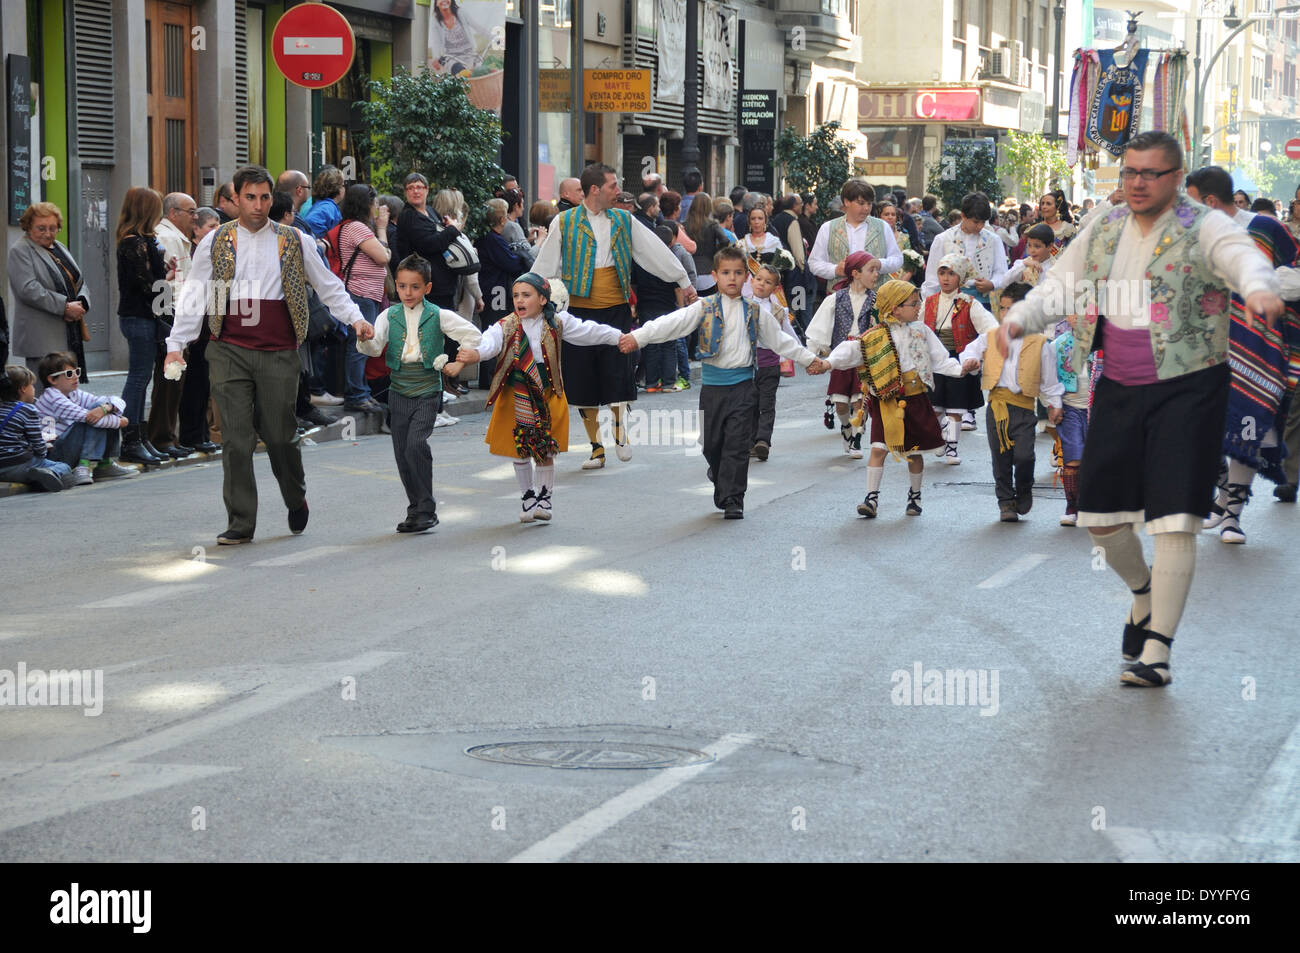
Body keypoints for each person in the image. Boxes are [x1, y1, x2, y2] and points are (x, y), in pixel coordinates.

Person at [998, 131, 1283, 687]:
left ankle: (1158, 650)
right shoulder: (1101, 227)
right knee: (1100, 520)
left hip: (1190, 387)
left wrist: (1258, 286)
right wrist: (1021, 318)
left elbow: (1240, 256)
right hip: (1120, 389)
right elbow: (1062, 285)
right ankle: (1145, 593)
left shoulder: (1204, 225)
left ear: (1177, 177)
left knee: (1175, 520)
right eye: (1130, 171)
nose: (1137, 182)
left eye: (1151, 173)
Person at [164, 165, 375, 545]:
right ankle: (241, 522)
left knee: (280, 437)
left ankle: (295, 496)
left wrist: (356, 319)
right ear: (235, 199)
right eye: (250, 197)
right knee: (237, 440)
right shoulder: (214, 242)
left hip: (279, 351)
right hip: (227, 349)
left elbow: (328, 287)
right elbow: (195, 295)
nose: (258, 205)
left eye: (264, 197)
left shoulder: (295, 239)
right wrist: (176, 346)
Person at [619, 246, 829, 518]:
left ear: (746, 277)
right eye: (726, 273)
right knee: (712, 444)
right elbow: (672, 322)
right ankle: (719, 475)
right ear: (715, 275)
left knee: (737, 445)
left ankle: (733, 499)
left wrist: (808, 359)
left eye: (738, 273)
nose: (732, 278)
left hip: (743, 387)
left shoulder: (755, 311)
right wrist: (640, 336)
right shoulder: (703, 308)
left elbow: (781, 340)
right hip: (712, 389)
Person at [531, 162, 695, 469]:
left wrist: (683, 281)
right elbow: (545, 265)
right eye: (612, 186)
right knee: (581, 379)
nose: (617, 191)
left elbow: (653, 253)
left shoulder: (624, 220)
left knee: (618, 371)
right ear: (595, 190)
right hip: (577, 311)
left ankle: (620, 432)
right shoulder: (564, 222)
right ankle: (596, 446)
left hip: (616, 307)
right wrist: (529, 297)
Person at [1185, 165, 1300, 544]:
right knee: (1200, 426)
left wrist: (1268, 287)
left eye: (1192, 202)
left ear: (1211, 201)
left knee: (1249, 424)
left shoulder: (1265, 229)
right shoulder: (1192, 236)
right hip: (1203, 346)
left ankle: (1233, 513)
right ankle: (1222, 495)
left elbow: (1297, 268)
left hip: (1257, 349)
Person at [457, 273, 623, 520]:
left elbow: (589, 331)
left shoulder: (557, 322)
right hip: (516, 394)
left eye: (526, 295)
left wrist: (619, 337)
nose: (519, 300)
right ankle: (527, 498)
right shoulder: (506, 325)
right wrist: (477, 354)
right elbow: (490, 342)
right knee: (520, 449)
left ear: (543, 299)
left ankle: (544, 500)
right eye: (516, 296)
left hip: (547, 393)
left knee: (545, 450)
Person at [356, 255, 481, 532]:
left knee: (415, 445)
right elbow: (375, 348)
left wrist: (459, 362)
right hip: (399, 388)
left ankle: (426, 507)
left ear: (427, 288)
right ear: (396, 287)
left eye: (414, 287)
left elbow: (473, 336)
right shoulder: (388, 315)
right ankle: (416, 509)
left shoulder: (440, 315)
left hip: (427, 387)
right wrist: (364, 338)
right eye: (402, 287)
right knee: (402, 453)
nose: (407, 293)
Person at [825, 280, 964, 518]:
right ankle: (871, 498)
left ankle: (914, 496)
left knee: (914, 452)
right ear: (895, 308)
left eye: (918, 301)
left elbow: (940, 359)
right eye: (913, 303)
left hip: (915, 398)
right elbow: (851, 351)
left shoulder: (922, 331)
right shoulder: (874, 336)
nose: (918, 306)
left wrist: (962, 369)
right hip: (886, 400)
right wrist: (827, 363)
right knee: (879, 449)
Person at [958, 312, 1063, 521]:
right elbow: (971, 350)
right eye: (1004, 309)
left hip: (1024, 407)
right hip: (997, 407)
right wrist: (970, 361)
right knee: (1000, 459)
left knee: (1024, 456)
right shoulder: (991, 336)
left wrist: (1055, 404)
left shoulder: (1040, 343)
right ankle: (1005, 503)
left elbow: (1049, 379)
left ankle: (1024, 488)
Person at [116, 187, 176, 467]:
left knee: (142, 378)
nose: (160, 213)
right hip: (137, 317)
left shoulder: (144, 241)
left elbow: (153, 280)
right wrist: (163, 280)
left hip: (146, 316)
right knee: (138, 378)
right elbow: (146, 284)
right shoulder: (132, 243)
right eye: (156, 207)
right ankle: (130, 439)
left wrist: (166, 272)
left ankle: (139, 438)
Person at [922, 254, 998, 465]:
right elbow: (917, 330)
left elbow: (991, 329)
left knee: (955, 407)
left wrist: (975, 354)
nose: (945, 278)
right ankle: (940, 437)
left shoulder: (970, 304)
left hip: (959, 358)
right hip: (934, 359)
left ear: (961, 277)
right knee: (934, 406)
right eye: (942, 273)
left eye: (951, 274)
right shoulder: (928, 303)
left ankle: (952, 448)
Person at [7, 202, 91, 389]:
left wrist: (82, 302)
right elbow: (28, 289)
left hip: (68, 333)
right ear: (28, 226)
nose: (48, 233)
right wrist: (65, 307)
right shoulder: (20, 250)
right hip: (41, 334)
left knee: (66, 392)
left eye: (53, 228)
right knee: (44, 394)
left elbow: (78, 280)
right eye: (41, 228)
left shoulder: (59, 246)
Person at [806, 251, 881, 458]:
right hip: (839, 356)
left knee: (860, 400)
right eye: (871, 270)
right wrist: (812, 356)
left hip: (863, 358)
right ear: (856, 273)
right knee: (841, 404)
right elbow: (819, 328)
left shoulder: (876, 301)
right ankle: (847, 427)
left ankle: (857, 437)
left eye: (877, 270)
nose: (876, 275)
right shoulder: (835, 299)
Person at [33, 351, 135, 483]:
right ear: (52, 380)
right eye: (69, 374)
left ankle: (104, 464)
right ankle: (84, 465)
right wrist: (121, 421)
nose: (75, 377)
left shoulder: (74, 393)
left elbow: (114, 400)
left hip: (67, 448)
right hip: (54, 456)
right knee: (94, 417)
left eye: (77, 372)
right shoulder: (52, 397)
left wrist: (107, 407)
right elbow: (88, 417)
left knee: (100, 408)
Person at [150, 192, 200, 458]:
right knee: (169, 379)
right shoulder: (168, 238)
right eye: (190, 211)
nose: (195, 216)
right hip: (171, 317)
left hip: (177, 316)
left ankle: (168, 436)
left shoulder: (177, 238)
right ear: (173, 214)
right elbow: (169, 284)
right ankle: (162, 438)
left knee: (175, 381)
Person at [335, 184, 391, 415]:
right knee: (359, 346)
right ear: (365, 204)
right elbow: (383, 256)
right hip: (361, 294)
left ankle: (361, 392)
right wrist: (382, 229)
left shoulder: (356, 227)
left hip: (368, 294)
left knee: (363, 346)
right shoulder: (356, 227)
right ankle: (356, 395)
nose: (377, 207)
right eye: (375, 203)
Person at [745, 263, 799, 461]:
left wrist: (806, 356)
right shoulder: (742, 303)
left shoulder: (778, 311)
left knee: (766, 404)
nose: (761, 284)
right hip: (746, 365)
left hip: (769, 365)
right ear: (751, 281)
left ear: (775, 288)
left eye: (767, 282)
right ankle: (751, 442)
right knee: (749, 404)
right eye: (759, 279)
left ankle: (763, 441)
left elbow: (790, 336)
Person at [808, 181, 902, 292]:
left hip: (876, 298)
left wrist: (880, 264)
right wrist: (835, 270)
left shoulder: (882, 227)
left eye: (869, 203)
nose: (866, 208)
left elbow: (897, 259)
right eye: (861, 203)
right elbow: (814, 263)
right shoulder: (828, 228)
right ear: (847, 202)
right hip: (839, 296)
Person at [921, 192, 1008, 307]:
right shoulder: (943, 239)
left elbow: (1001, 271)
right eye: (976, 222)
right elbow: (932, 277)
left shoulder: (994, 240)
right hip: (949, 303)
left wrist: (992, 284)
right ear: (963, 216)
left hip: (984, 303)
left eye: (983, 222)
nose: (980, 226)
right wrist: (930, 305)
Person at [0, 364, 74, 490]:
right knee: (64, 467)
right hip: (20, 465)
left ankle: (38, 478)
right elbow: (38, 446)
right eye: (32, 385)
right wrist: (45, 450)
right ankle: (46, 474)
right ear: (23, 389)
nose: (34, 389)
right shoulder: (28, 409)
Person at [633, 225, 686, 393]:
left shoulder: (641, 260)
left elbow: (632, 284)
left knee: (650, 343)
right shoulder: (671, 260)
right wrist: (682, 309)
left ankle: (651, 382)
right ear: (671, 243)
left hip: (645, 305)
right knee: (668, 343)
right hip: (667, 306)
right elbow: (678, 288)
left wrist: (634, 305)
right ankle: (669, 382)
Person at [302, 166, 345, 238]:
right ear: (337, 188)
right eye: (343, 185)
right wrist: (323, 240)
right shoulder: (328, 207)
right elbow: (312, 221)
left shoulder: (325, 205)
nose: (344, 188)